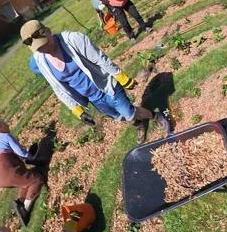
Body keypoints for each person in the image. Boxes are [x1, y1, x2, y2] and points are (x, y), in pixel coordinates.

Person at [22, 20, 171, 143]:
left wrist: (121, 77)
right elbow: (58, 88)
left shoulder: (73, 40)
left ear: (47, 31)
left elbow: (100, 59)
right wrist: (76, 110)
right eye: (38, 48)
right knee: (118, 116)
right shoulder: (40, 60)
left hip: (106, 86)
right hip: (93, 98)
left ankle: (155, 115)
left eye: (43, 44)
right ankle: (139, 125)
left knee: (129, 113)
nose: (43, 50)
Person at [0, 118, 50, 226]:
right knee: (36, 179)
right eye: (3, 123)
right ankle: (25, 210)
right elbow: (21, 152)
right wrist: (34, 157)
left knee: (24, 180)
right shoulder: (5, 136)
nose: (6, 123)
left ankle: (20, 202)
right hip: (5, 172)